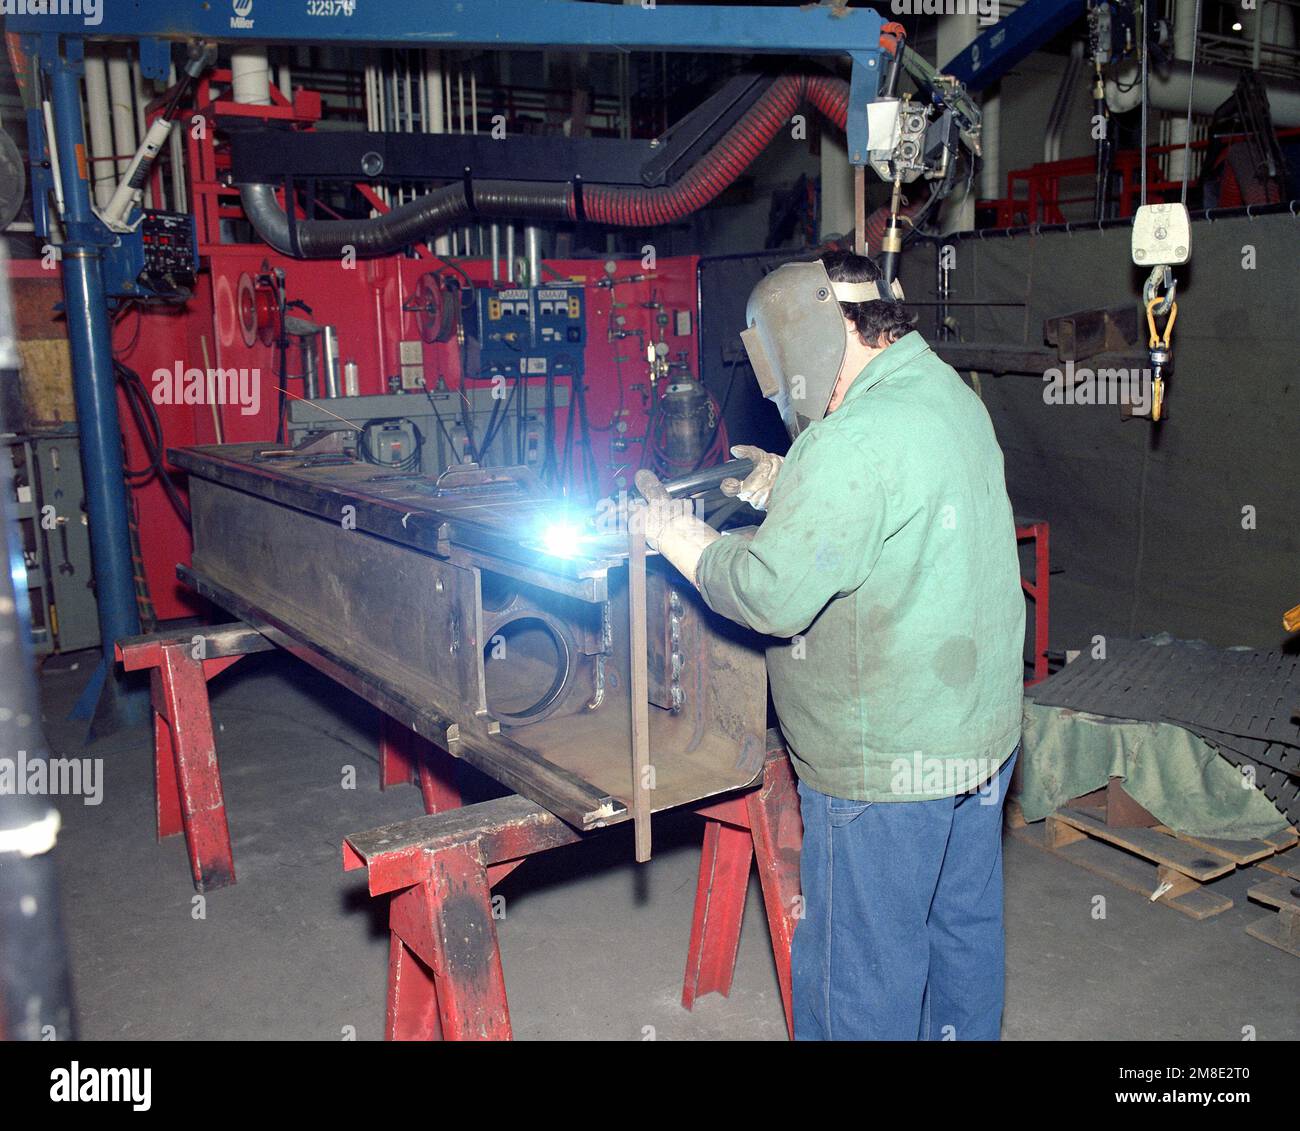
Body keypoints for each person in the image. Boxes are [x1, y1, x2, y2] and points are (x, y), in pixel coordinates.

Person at [641, 248, 1024, 1040]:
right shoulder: (946, 394)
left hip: (885, 767)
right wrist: (790, 485)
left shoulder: (849, 441)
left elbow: (771, 594)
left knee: (860, 978)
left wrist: (683, 543)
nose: (781, 391)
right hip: (977, 744)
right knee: (959, 935)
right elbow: (897, 504)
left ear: (812, 333)